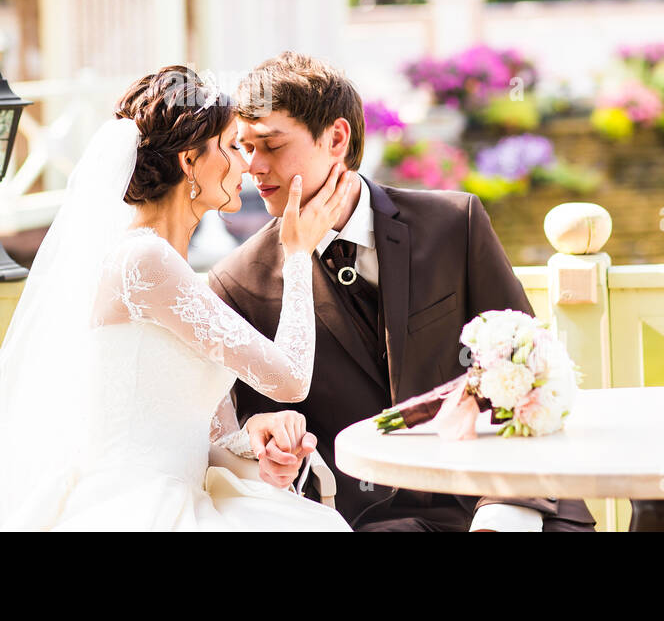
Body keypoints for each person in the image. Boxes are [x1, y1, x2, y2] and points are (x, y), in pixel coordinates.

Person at [208, 52, 598, 532]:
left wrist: (501, 514)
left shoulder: (456, 224)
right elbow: (262, 429)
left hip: (509, 498)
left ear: (335, 138)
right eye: (244, 147)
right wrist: (275, 450)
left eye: (269, 144)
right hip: (374, 521)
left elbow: (529, 367)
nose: (253, 167)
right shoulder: (237, 283)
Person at [0, 65, 352, 530]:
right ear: (190, 161)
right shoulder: (143, 261)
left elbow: (205, 438)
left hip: (182, 492)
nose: (248, 164)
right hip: (133, 506)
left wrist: (260, 446)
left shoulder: (170, 272)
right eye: (233, 146)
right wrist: (295, 253)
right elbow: (291, 380)